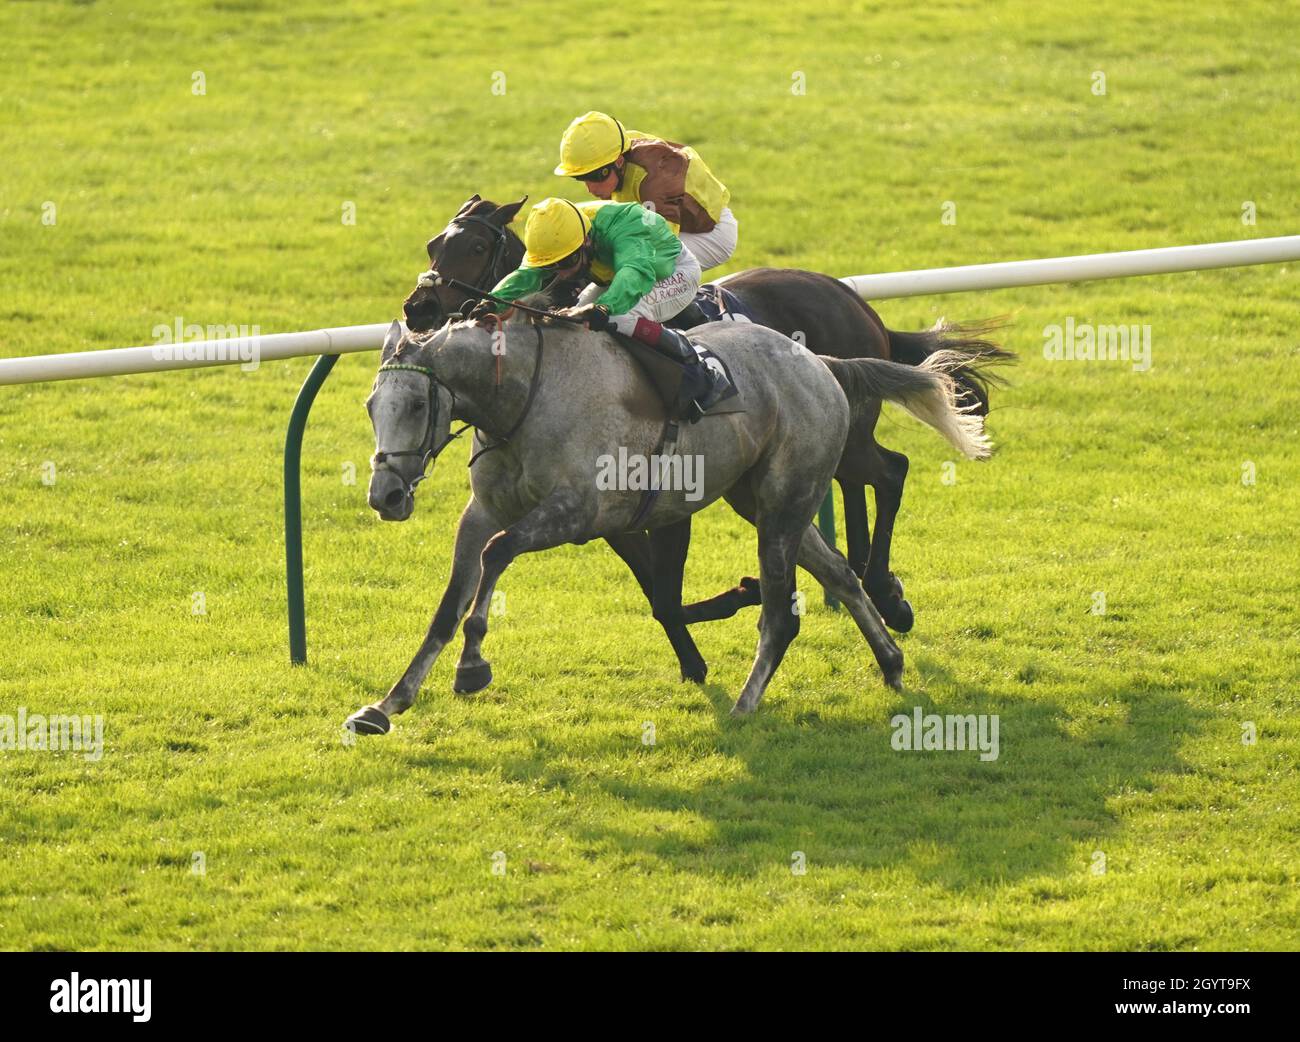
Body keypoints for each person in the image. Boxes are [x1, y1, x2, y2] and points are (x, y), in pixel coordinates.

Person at [477, 197, 731, 421]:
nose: (562, 274)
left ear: (586, 241)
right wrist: (490, 301)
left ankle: (700, 373)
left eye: (567, 262)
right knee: (575, 320)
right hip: (615, 274)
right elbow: (525, 276)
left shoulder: (625, 231)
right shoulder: (559, 236)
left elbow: (634, 275)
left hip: (669, 272)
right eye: (554, 266)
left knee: (619, 315)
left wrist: (604, 308)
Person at [553, 111, 737, 274]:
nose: (590, 189)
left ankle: (696, 313)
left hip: (710, 233)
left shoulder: (654, 179)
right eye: (581, 178)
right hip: (673, 226)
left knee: (642, 271)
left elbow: (661, 245)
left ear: (618, 162)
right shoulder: (615, 152)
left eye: (596, 176)